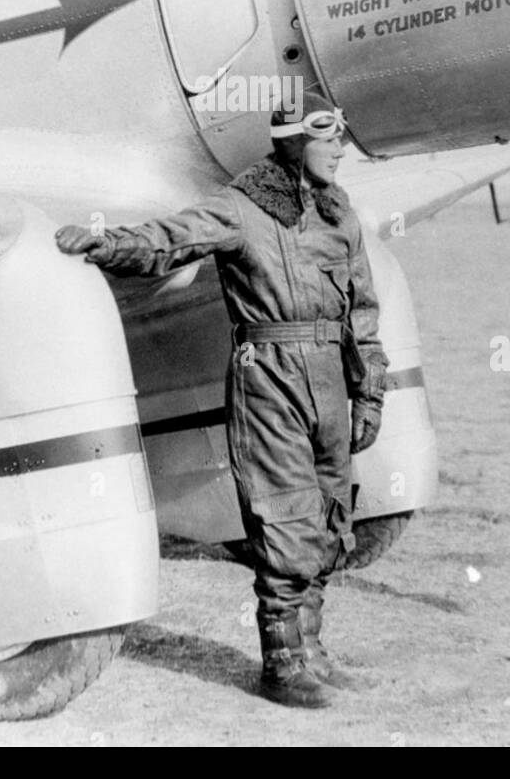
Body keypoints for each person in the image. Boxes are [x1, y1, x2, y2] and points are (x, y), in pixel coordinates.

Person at [55, 88, 388, 708]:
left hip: (330, 383)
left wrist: (369, 392)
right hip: (270, 379)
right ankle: (283, 666)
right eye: (328, 136)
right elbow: (167, 240)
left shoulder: (340, 213)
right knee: (285, 517)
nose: (341, 147)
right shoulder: (241, 207)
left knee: (328, 517)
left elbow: (362, 310)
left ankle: (312, 650)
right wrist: (103, 244)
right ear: (295, 141)